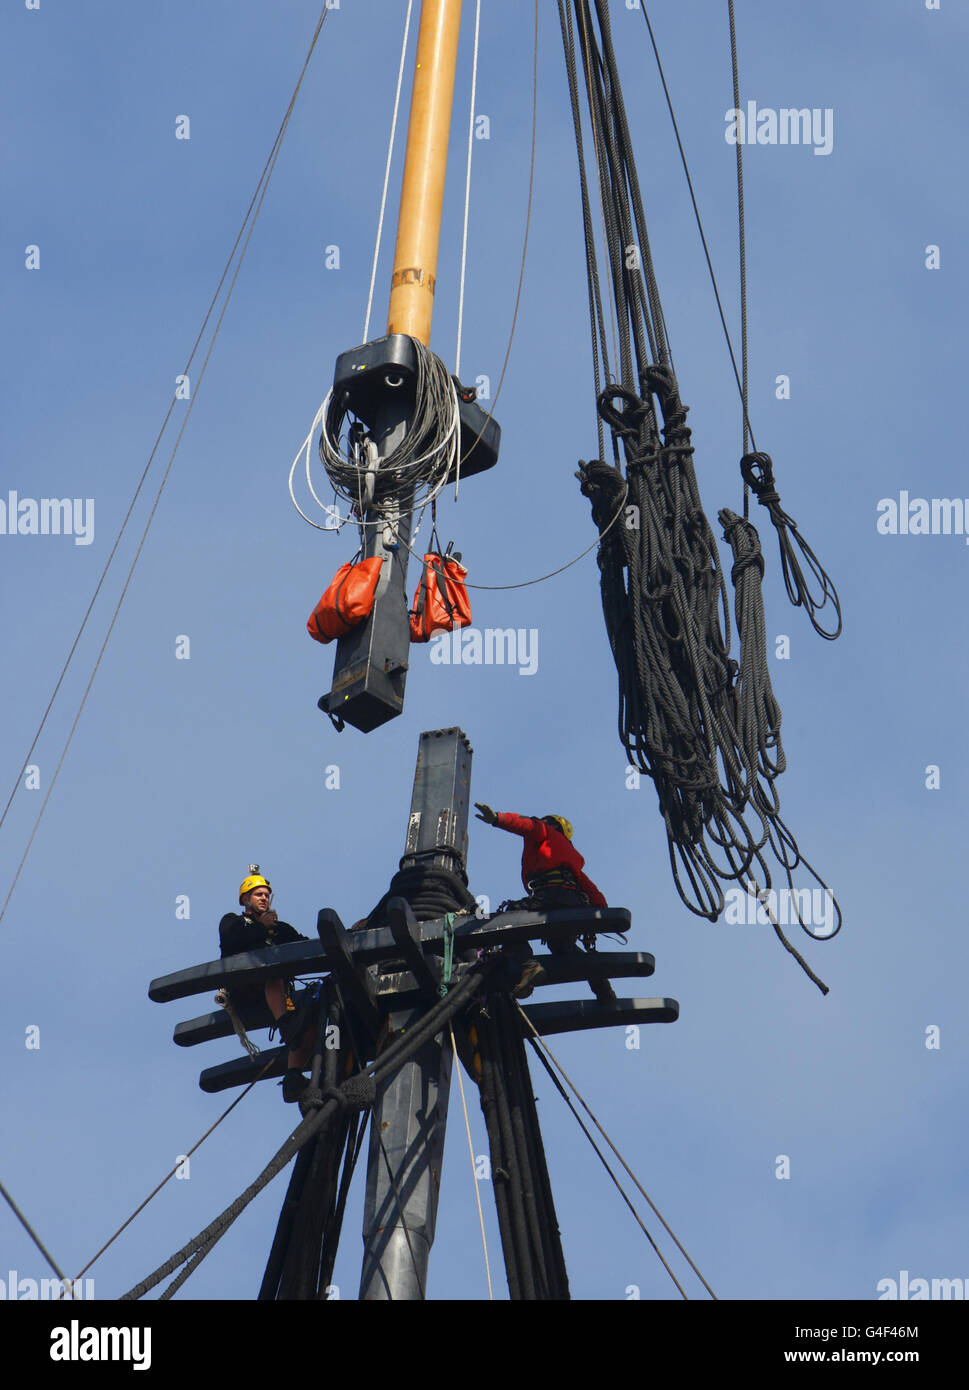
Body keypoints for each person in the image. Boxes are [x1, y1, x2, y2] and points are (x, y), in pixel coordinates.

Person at [473, 807, 611, 1000]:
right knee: (562, 948)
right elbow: (590, 889)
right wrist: (603, 917)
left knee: (509, 919)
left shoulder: (545, 832)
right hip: (573, 902)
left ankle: (528, 966)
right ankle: (603, 989)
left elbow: (526, 824)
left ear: (554, 826)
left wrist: (497, 819)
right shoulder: (569, 857)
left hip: (548, 897)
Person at [218, 868, 314, 1102]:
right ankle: (285, 1024)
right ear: (245, 899)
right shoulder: (234, 921)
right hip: (245, 989)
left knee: (311, 1013)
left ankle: (293, 1076)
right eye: (258, 894)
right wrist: (261, 926)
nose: (264, 898)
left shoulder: (280, 928)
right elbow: (232, 940)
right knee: (274, 971)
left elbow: (306, 946)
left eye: (266, 895)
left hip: (277, 994)